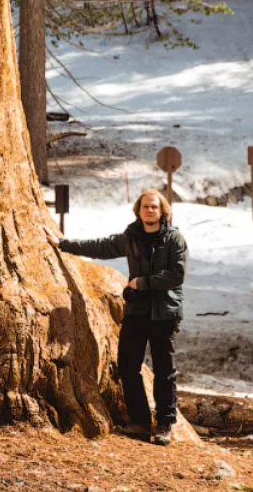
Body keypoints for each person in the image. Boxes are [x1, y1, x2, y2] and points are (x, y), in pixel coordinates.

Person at [43, 188, 186, 446]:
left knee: (165, 371)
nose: (150, 210)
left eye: (154, 207)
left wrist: (142, 282)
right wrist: (64, 244)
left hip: (164, 313)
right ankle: (141, 422)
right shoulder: (131, 237)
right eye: (146, 206)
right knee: (128, 367)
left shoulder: (174, 239)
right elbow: (101, 246)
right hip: (136, 313)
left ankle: (165, 424)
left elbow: (177, 275)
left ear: (163, 210)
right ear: (138, 210)